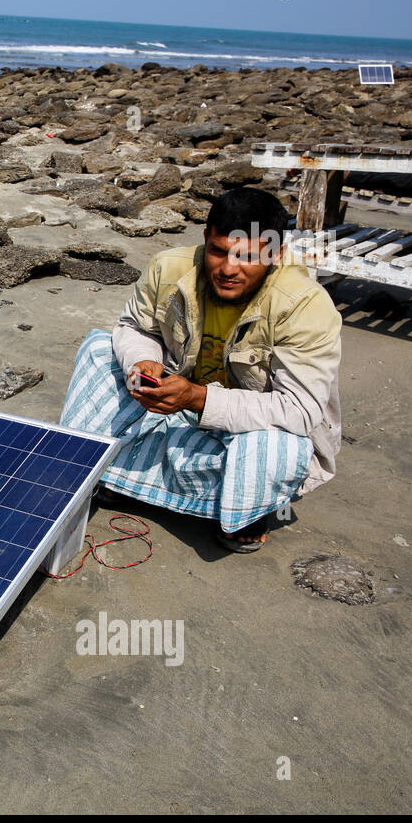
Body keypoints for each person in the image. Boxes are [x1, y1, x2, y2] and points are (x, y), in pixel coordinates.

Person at [59, 186, 343, 552]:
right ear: (205, 238)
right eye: (218, 251)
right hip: (176, 401)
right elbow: (133, 327)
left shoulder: (305, 305)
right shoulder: (169, 268)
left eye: (246, 257)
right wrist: (144, 362)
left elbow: (300, 411)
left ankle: (244, 508)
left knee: (282, 444)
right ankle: (114, 472)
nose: (228, 269)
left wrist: (196, 398)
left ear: (277, 254)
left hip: (246, 422)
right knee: (100, 349)